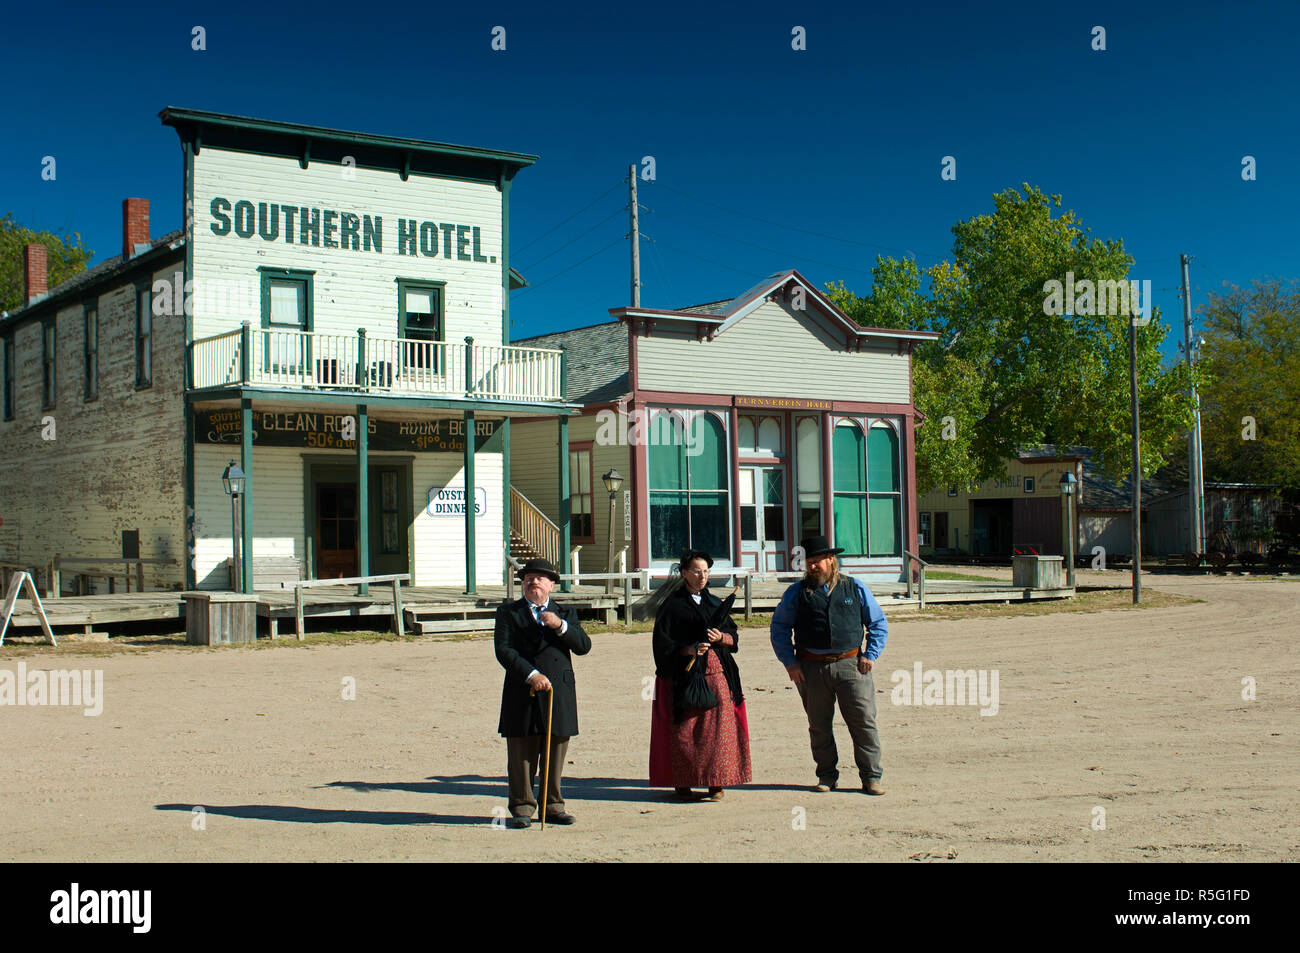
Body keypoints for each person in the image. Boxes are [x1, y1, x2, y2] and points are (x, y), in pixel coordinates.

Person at [770, 535, 888, 795]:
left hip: (852, 665)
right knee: (819, 726)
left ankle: (871, 777)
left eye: (817, 561)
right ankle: (826, 776)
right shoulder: (796, 593)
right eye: (808, 562)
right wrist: (790, 663)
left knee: (863, 723)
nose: (812, 566)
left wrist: (870, 654)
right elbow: (779, 628)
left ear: (831, 560)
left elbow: (878, 623)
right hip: (811, 669)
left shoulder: (855, 588)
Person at [494, 558, 591, 828]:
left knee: (555, 750)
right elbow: (503, 650)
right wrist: (531, 675)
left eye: (540, 578)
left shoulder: (565, 613)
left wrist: (560, 626)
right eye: (528, 578)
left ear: (551, 585)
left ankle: (553, 806)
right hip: (521, 689)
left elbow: (584, 646)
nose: (533, 581)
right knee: (521, 754)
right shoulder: (508, 613)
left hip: (558, 692)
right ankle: (522, 807)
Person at [649, 549, 752, 801]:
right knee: (686, 730)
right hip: (683, 675)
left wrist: (722, 638)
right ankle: (683, 783)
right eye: (696, 571)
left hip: (717, 674)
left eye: (705, 571)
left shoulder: (716, 603)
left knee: (718, 730)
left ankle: (715, 782)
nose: (702, 576)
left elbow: (733, 638)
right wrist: (687, 649)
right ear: (684, 573)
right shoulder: (672, 607)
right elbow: (661, 645)